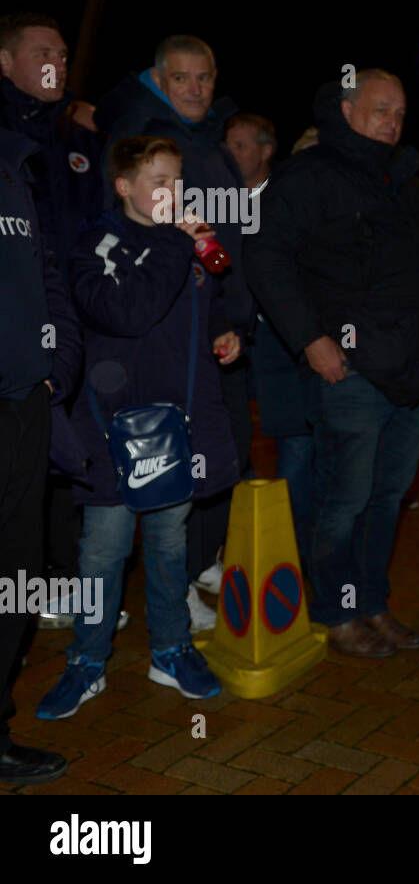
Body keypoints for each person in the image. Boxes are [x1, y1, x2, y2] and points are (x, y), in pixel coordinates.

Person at [244, 71, 419, 658]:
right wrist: (310, 339)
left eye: (399, 111)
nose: (392, 120)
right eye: (379, 109)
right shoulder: (309, 176)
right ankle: (337, 610)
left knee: (387, 499)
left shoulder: (406, 183)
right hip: (351, 372)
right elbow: (264, 257)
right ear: (344, 109)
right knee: (343, 500)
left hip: (409, 375)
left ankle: (372, 604)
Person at [36, 136, 238, 719]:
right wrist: (178, 243)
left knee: (171, 543)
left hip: (179, 428)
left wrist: (225, 332)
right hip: (112, 432)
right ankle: (87, 661)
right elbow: (128, 313)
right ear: (124, 186)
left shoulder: (186, 246)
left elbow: (203, 309)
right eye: (157, 182)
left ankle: (170, 650)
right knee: (103, 550)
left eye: (177, 181)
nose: (172, 194)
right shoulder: (97, 245)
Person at [96, 35, 251, 630]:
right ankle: (173, 588)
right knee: (169, 469)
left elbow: (231, 240)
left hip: (219, 325)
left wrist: (238, 313)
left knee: (223, 455)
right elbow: (122, 237)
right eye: (182, 78)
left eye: (205, 78)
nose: (195, 89)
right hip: (164, 339)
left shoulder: (215, 143)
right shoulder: (142, 136)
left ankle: (196, 562)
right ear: (158, 79)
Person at [0, 13, 127, 632]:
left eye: (63, 51)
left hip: (71, 324)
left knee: (63, 456)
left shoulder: (74, 139)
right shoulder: (8, 138)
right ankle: (38, 587)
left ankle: (59, 578)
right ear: (4, 61)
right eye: (40, 50)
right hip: (20, 344)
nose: (57, 60)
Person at [0, 126, 81, 783]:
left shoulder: (16, 165)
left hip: (24, 402)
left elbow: (46, 271)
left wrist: (54, 361)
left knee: (16, 576)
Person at [224, 113, 313, 558]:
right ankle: (238, 542)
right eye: (228, 144)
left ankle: (287, 549)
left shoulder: (287, 199)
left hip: (281, 343)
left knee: (296, 441)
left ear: (265, 151)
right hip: (230, 343)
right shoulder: (214, 199)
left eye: (241, 145)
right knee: (231, 439)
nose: (231, 153)